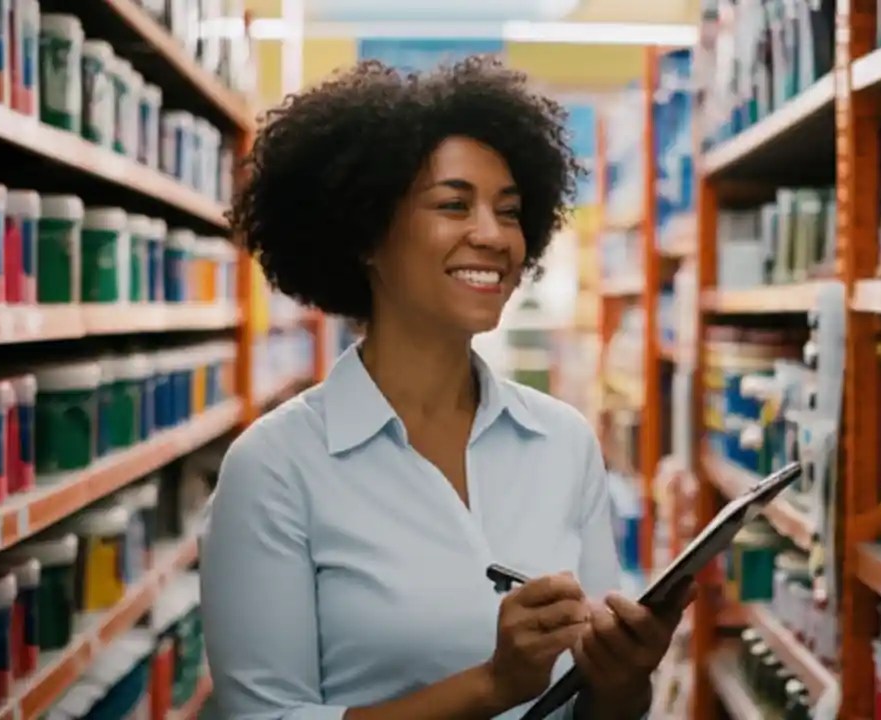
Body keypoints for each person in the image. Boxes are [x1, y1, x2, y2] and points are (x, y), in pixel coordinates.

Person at [200, 56, 689, 720]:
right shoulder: (276, 467)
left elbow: (597, 706)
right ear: (366, 234)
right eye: (454, 205)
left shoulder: (562, 441)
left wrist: (624, 680)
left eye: (509, 212)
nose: (493, 236)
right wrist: (492, 685)